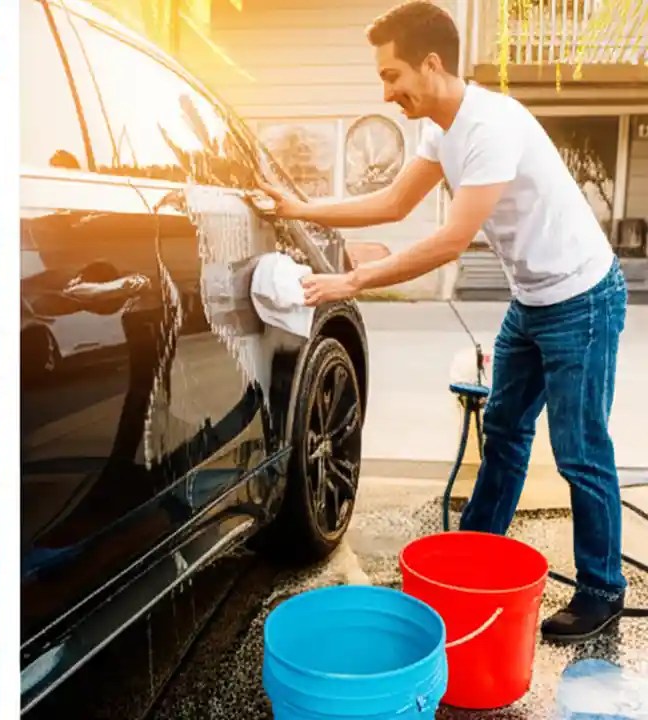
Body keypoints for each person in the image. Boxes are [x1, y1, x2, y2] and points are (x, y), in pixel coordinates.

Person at [257, 0, 627, 644]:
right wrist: (301, 207)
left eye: (392, 76)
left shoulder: (491, 125)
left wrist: (352, 281)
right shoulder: (441, 129)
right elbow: (394, 202)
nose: (386, 92)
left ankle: (602, 590)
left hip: (582, 299)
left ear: (431, 64)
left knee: (580, 451)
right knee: (504, 432)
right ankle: (473, 558)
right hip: (532, 302)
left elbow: (452, 241)